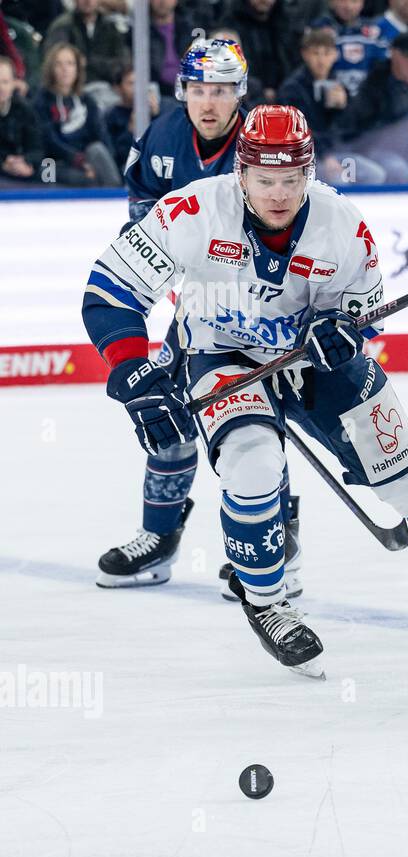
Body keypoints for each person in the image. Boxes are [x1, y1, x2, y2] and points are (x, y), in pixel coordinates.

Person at [81, 104, 408, 677]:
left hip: (314, 364)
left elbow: (365, 308)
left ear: (309, 172)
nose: (278, 193)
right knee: (253, 464)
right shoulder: (191, 210)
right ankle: (267, 604)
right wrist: (133, 371)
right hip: (224, 356)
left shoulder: (341, 223)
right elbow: (109, 291)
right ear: (241, 174)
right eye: (265, 179)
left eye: (292, 179)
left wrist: (345, 328)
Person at [96, 38, 254, 590]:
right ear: (183, 90)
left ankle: (271, 549)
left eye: (220, 90)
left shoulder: (264, 141)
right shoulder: (161, 137)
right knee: (167, 412)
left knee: (257, 431)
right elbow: (142, 221)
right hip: (196, 308)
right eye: (198, 90)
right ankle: (159, 538)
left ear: (239, 93)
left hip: (268, 309)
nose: (208, 103)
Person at [278, 26, 387, 184]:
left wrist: (344, 106)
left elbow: (349, 128)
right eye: (316, 53)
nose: (321, 60)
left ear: (335, 55)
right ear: (305, 55)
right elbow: (296, 133)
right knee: (339, 180)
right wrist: (325, 156)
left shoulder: (338, 84)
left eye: (327, 53)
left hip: (338, 152)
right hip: (304, 158)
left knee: (376, 175)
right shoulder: (292, 90)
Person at [335, 28, 408, 183]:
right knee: (399, 170)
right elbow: (364, 130)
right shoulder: (375, 85)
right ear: (394, 54)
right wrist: (403, 131)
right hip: (383, 150)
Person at [32, 42, 121, 185]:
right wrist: (79, 161)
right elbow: (48, 140)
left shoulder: (88, 101)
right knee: (84, 179)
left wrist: (96, 163)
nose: (64, 69)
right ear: (51, 69)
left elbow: (101, 136)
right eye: (58, 64)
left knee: (97, 150)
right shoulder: (41, 101)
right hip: (54, 161)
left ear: (78, 69)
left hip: (87, 159)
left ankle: (117, 199)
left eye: (70, 64)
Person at [41, 0, 127, 86]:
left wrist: (89, 62)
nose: (88, 1)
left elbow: (121, 63)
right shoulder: (62, 26)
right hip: (71, 88)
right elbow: (53, 60)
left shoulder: (110, 27)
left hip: (107, 86)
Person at [310, 0, 386, 98]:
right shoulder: (319, 29)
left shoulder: (374, 30)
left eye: (354, 1)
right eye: (342, 1)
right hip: (329, 97)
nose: (348, 6)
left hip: (367, 100)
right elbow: (312, 67)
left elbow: (382, 67)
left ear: (362, 3)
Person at [0, 53, 41, 185]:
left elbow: (38, 148)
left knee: (50, 174)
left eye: (5, 82)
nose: (1, 88)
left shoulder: (25, 110)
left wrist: (26, 161)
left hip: (21, 169)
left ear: (14, 83)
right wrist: (4, 163)